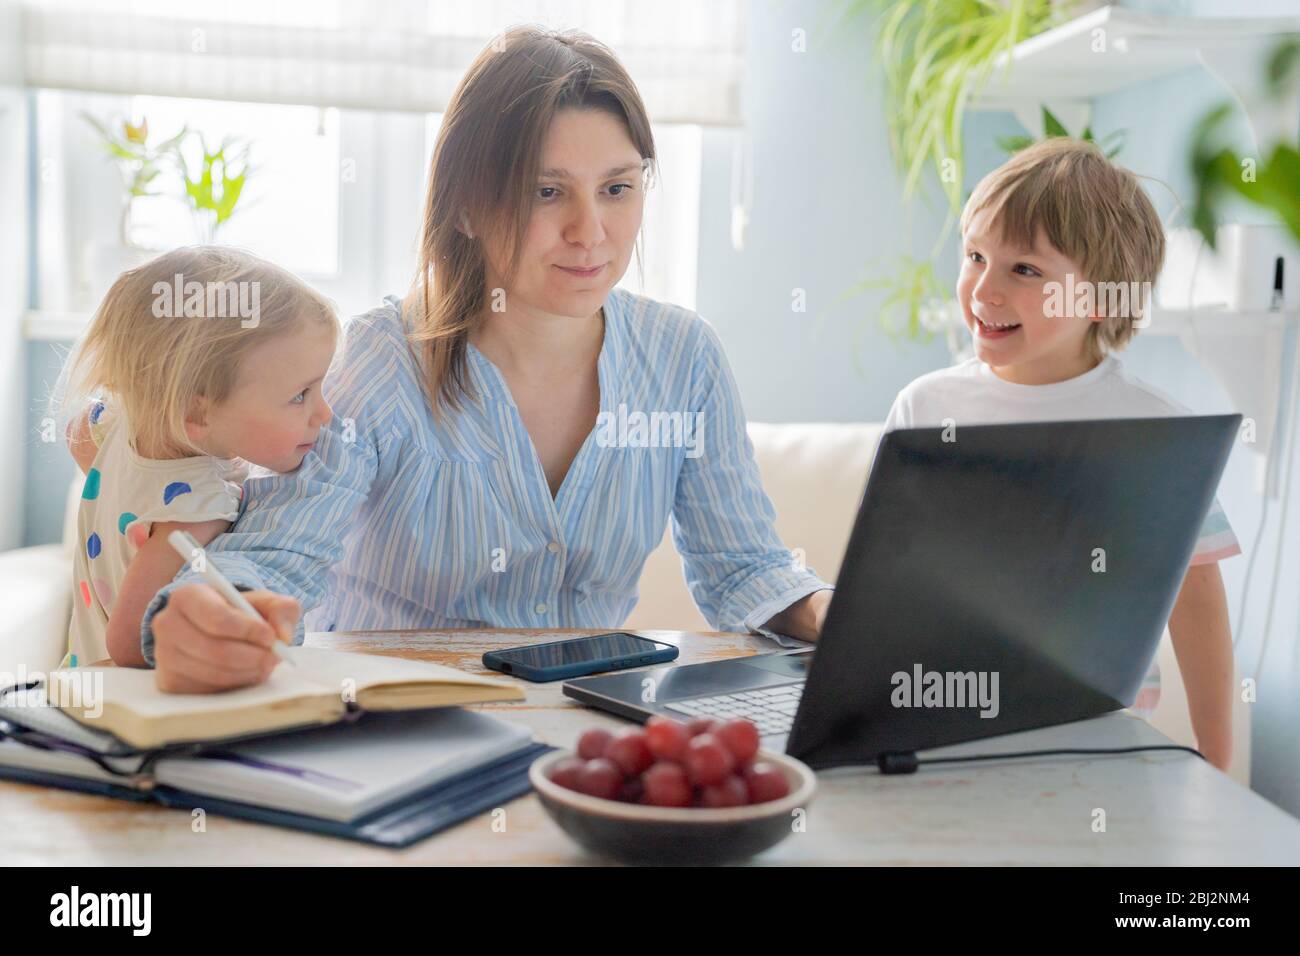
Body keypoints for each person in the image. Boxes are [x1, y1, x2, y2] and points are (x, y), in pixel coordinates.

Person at [140, 27, 834, 694]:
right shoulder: (382, 359)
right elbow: (278, 555)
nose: (590, 233)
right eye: (546, 191)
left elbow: (743, 567)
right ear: (468, 205)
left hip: (585, 733)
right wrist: (208, 618)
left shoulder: (684, 359)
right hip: (401, 733)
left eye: (617, 189)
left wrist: (829, 613)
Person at [883, 138, 1240, 771]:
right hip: (942, 729)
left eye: (1025, 269)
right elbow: (882, 581)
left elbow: (1197, 598)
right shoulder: (926, 407)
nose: (984, 290)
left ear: (1101, 297)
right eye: (975, 256)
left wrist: (1217, 760)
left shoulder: (1156, 431)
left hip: (1097, 741)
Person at [61, 245, 337, 669]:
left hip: (79, 682)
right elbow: (130, 641)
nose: (324, 413)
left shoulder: (113, 425)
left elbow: (75, 433)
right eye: (300, 395)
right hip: (139, 708)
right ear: (196, 414)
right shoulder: (200, 505)